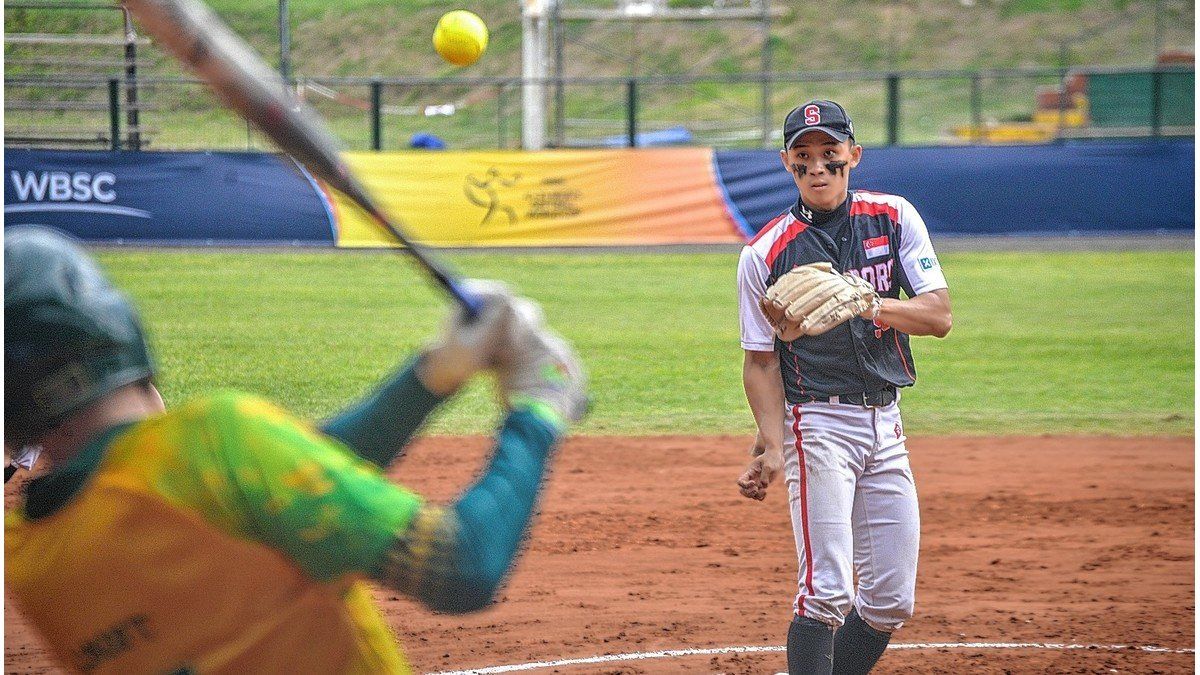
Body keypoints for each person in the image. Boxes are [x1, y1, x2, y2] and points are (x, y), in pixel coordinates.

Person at [4, 225, 587, 674]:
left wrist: (434, 376)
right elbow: (464, 565)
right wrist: (540, 404)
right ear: (109, 325)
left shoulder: (31, 562)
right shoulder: (211, 441)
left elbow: (275, 490)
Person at [735, 100, 952, 675]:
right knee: (825, 591)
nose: (818, 168)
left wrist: (871, 303)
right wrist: (773, 442)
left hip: (887, 424)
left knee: (889, 599)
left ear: (853, 155)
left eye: (830, 155)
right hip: (819, 425)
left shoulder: (895, 216)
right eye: (803, 158)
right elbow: (760, 362)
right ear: (787, 164)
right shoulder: (764, 254)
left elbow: (938, 317)